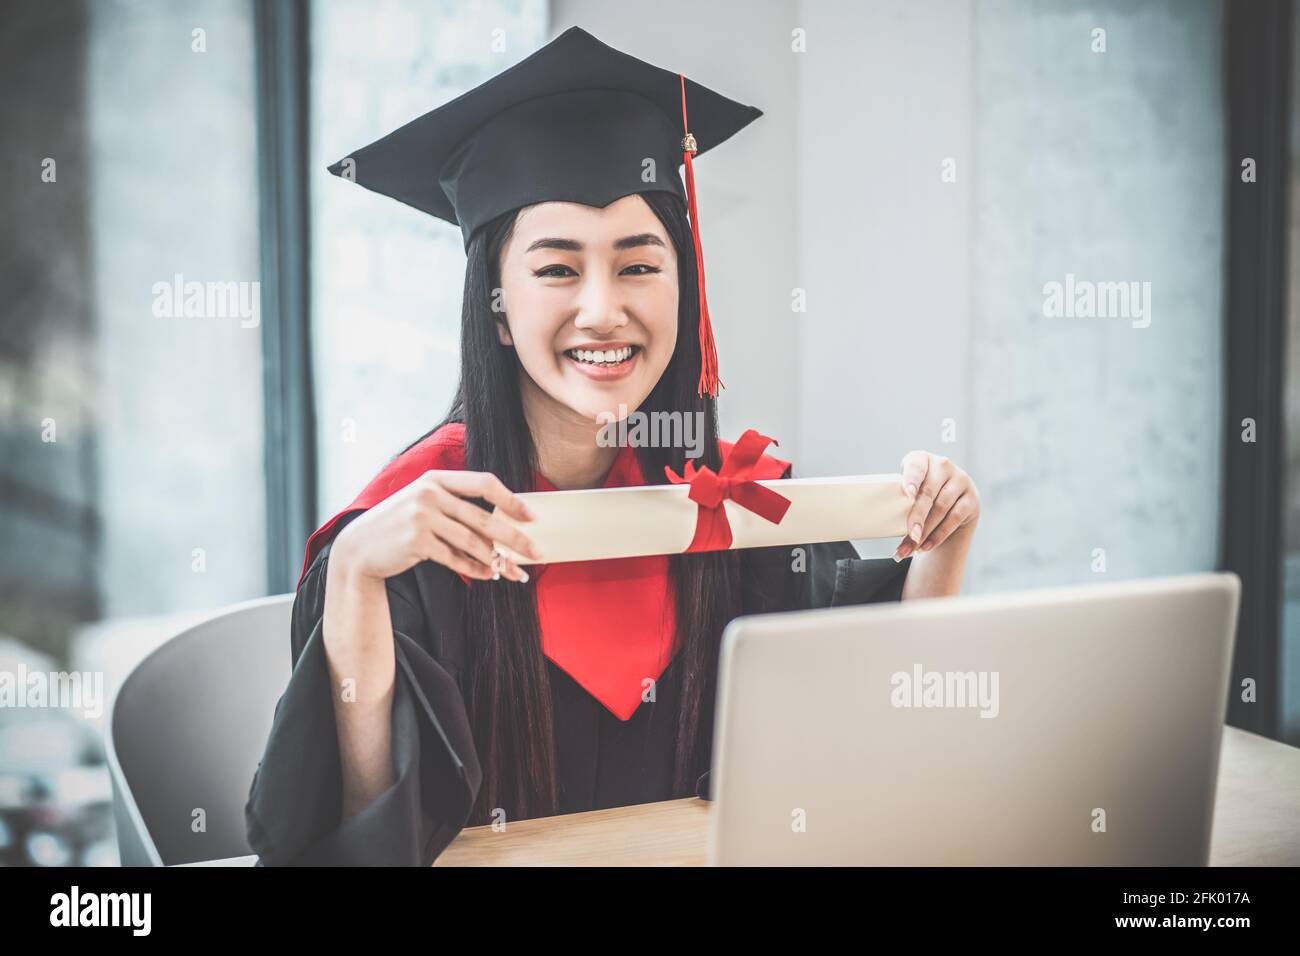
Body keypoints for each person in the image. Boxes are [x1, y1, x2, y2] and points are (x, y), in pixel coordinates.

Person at [244, 26, 980, 866]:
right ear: (496, 306)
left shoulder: (740, 507)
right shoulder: (413, 531)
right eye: (557, 270)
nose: (602, 310)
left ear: (684, 287)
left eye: (639, 266)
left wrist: (942, 540)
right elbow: (364, 832)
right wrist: (354, 578)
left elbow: (875, 743)